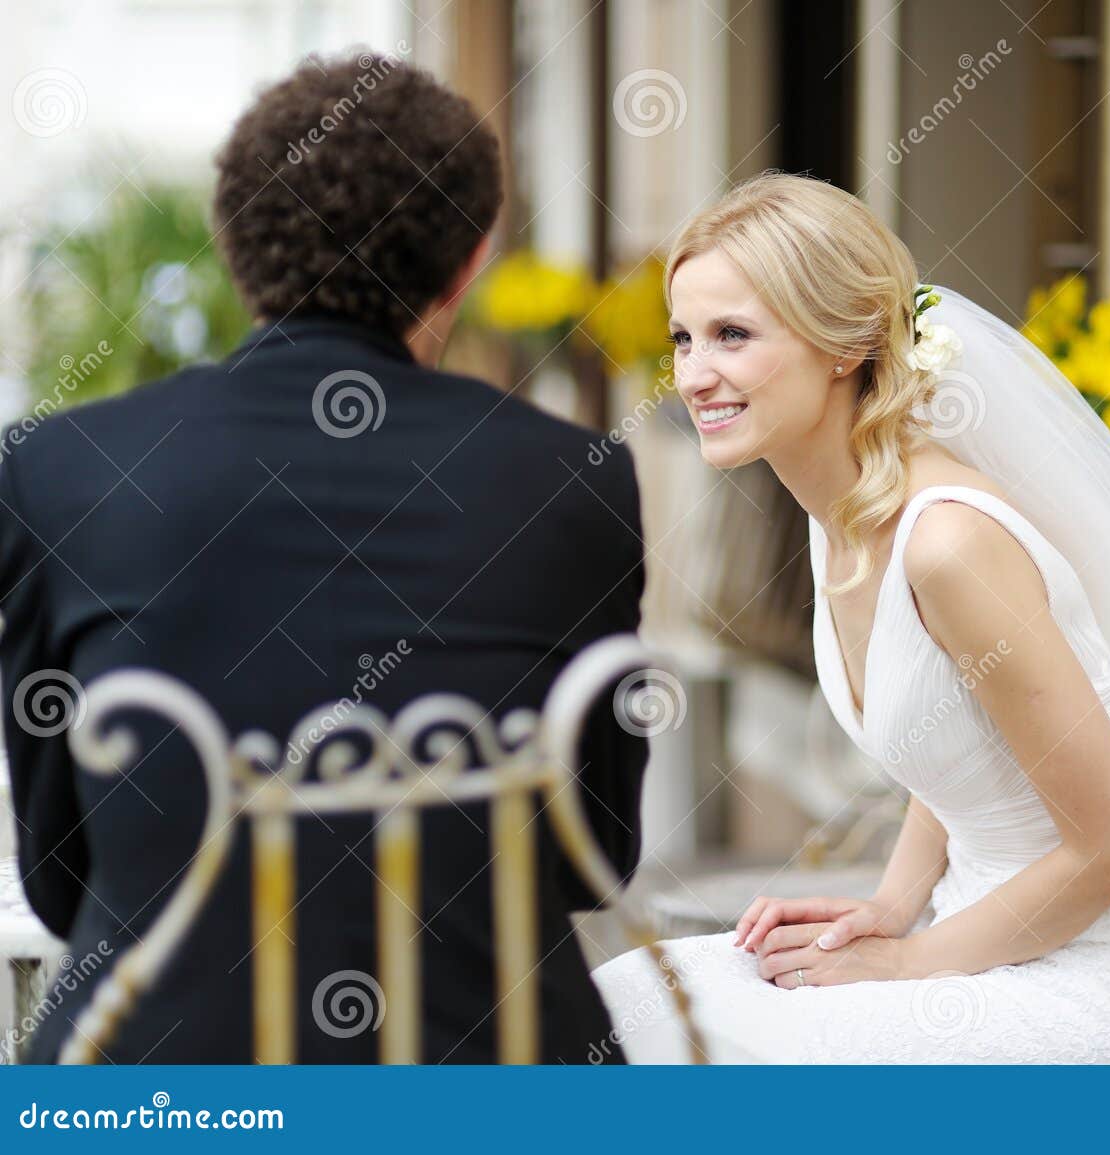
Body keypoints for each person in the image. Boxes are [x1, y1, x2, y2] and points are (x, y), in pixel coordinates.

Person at [591, 172, 1110, 1064]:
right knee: (629, 995)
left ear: (843, 344)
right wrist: (888, 907)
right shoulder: (837, 515)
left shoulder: (948, 545)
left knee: (707, 1048)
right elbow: (958, 736)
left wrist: (906, 961)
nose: (694, 374)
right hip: (980, 932)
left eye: (732, 335)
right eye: (683, 337)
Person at [0, 54, 648, 1063]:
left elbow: (60, 876)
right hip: (498, 1064)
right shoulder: (575, 477)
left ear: (233, 249)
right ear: (470, 262)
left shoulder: (59, 468)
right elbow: (592, 855)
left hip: (155, 1077)